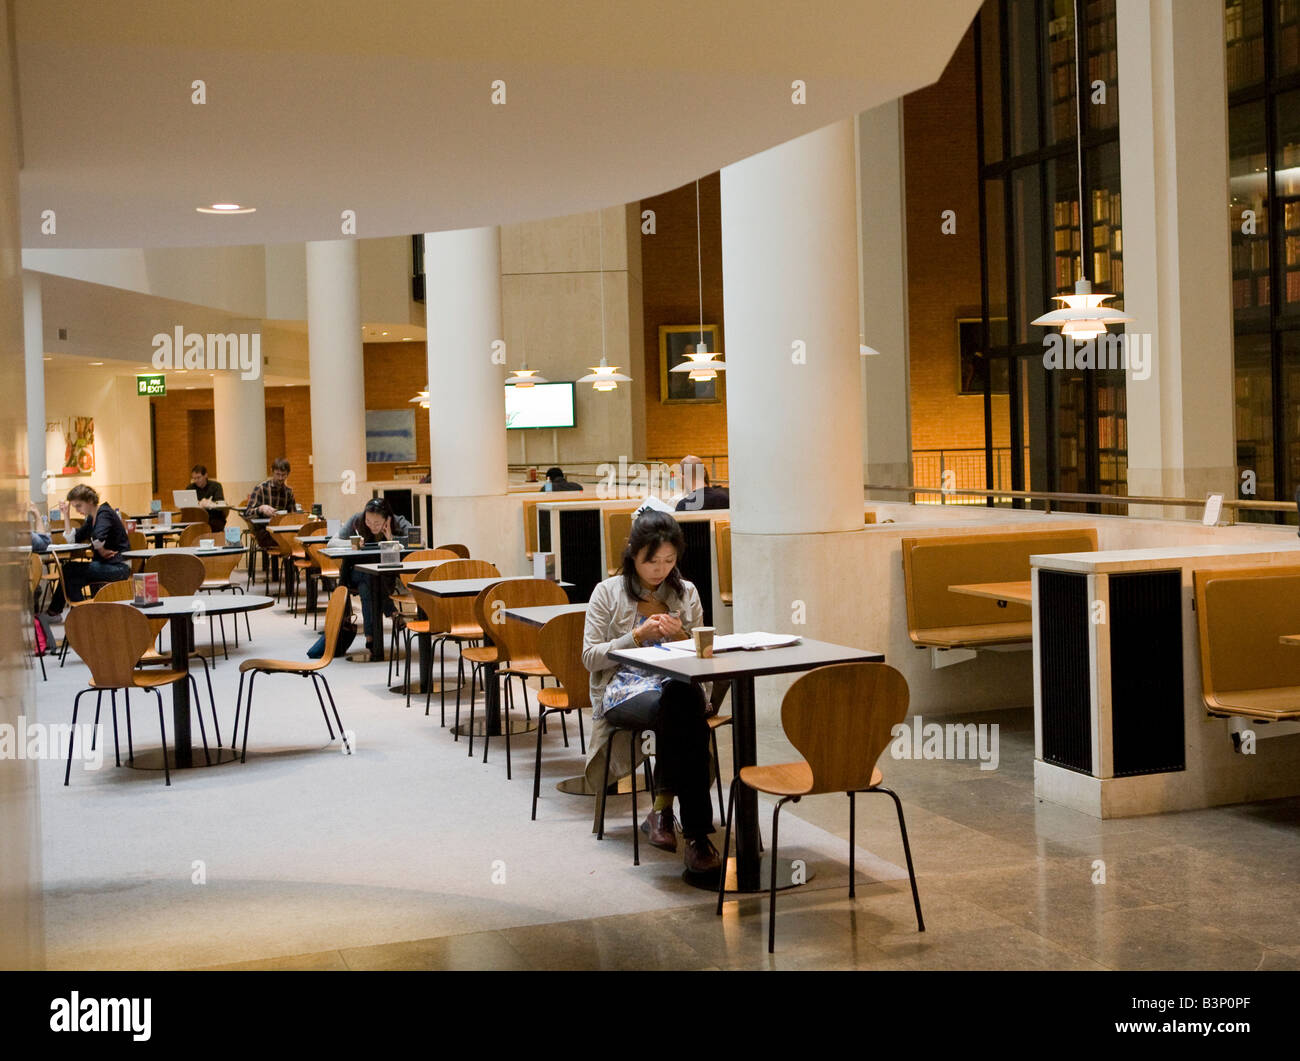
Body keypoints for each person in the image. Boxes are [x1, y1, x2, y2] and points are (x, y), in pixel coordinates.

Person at [581, 511, 722, 874]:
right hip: (624, 689)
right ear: (632, 555)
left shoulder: (685, 592)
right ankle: (696, 836)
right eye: (651, 561)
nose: (660, 570)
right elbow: (590, 658)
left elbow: (704, 653)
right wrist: (637, 637)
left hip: (676, 686)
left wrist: (681, 636)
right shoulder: (606, 592)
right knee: (686, 713)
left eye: (669, 560)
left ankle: (664, 813)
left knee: (681, 701)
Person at [337, 498, 416, 650]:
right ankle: (391, 612)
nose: (372, 526)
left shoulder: (399, 522)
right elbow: (332, 542)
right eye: (368, 521)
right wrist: (351, 544)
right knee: (367, 575)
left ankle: (371, 638)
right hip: (355, 573)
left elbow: (419, 541)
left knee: (367, 585)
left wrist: (392, 540)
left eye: (377, 523)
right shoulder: (357, 520)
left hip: (384, 578)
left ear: (387, 519)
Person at [57, 485, 130, 603]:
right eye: (75, 507)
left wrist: (102, 550)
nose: (77, 510)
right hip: (106, 565)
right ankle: (83, 612)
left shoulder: (104, 513)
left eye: (79, 506)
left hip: (119, 567)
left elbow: (98, 535)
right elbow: (75, 538)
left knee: (68, 569)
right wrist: (66, 514)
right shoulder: (92, 518)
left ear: (90, 501)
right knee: (70, 580)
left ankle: (58, 612)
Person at [244, 458, 298, 550]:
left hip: (281, 529)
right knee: (282, 540)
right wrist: (261, 508)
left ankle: (290, 562)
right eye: (278, 474)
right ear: (272, 472)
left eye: (283, 475)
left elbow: (293, 515)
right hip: (263, 530)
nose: (280, 478)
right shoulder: (261, 488)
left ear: (288, 474)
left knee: (296, 540)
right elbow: (247, 513)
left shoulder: (288, 492)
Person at [189, 464, 227, 534]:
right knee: (187, 524)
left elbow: (220, 503)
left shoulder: (216, 486)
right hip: (197, 518)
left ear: (205, 475)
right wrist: (199, 503)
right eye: (194, 478)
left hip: (213, 517)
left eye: (198, 477)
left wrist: (209, 503)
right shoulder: (190, 488)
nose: (196, 480)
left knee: (214, 523)